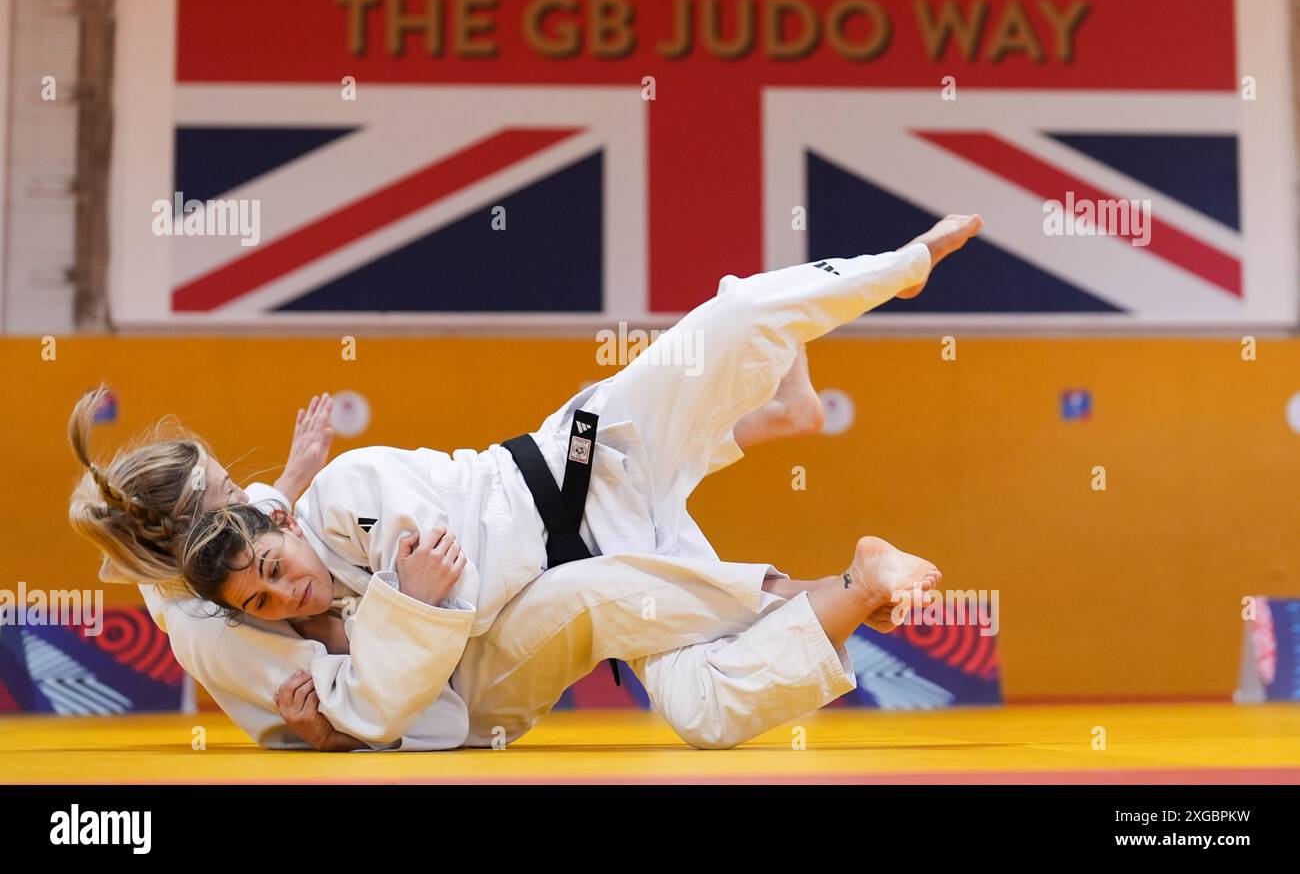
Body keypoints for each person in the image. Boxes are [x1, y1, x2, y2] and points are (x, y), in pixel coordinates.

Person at [174, 214, 979, 750]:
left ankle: (902, 265)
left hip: (586, 459)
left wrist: (381, 628)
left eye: (275, 570)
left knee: (725, 327)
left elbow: (461, 599)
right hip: (611, 546)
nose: (287, 599)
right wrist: (370, 636)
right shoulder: (348, 602)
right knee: (703, 712)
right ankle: (859, 579)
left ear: (279, 524)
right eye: (263, 606)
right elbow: (431, 677)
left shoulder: (349, 494)